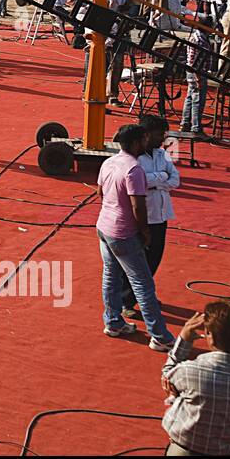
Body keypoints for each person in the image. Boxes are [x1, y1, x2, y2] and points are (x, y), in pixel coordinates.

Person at [95, 123, 175, 350]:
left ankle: (113, 321)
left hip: (104, 227)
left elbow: (99, 191)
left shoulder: (109, 162)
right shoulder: (134, 169)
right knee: (143, 284)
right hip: (123, 233)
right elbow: (138, 206)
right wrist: (145, 232)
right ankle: (160, 336)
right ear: (135, 142)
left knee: (111, 275)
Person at [161, 300, 230, 456]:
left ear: (210, 336)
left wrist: (184, 340)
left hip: (188, 451)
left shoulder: (191, 371)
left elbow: (167, 376)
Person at [118, 115, 179, 319]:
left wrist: (156, 180)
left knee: (154, 258)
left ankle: (143, 295)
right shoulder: (133, 158)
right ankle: (126, 300)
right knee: (135, 261)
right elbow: (139, 183)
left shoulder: (163, 154)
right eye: (159, 134)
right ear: (146, 135)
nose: (162, 138)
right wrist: (161, 178)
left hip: (161, 214)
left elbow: (175, 180)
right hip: (142, 215)